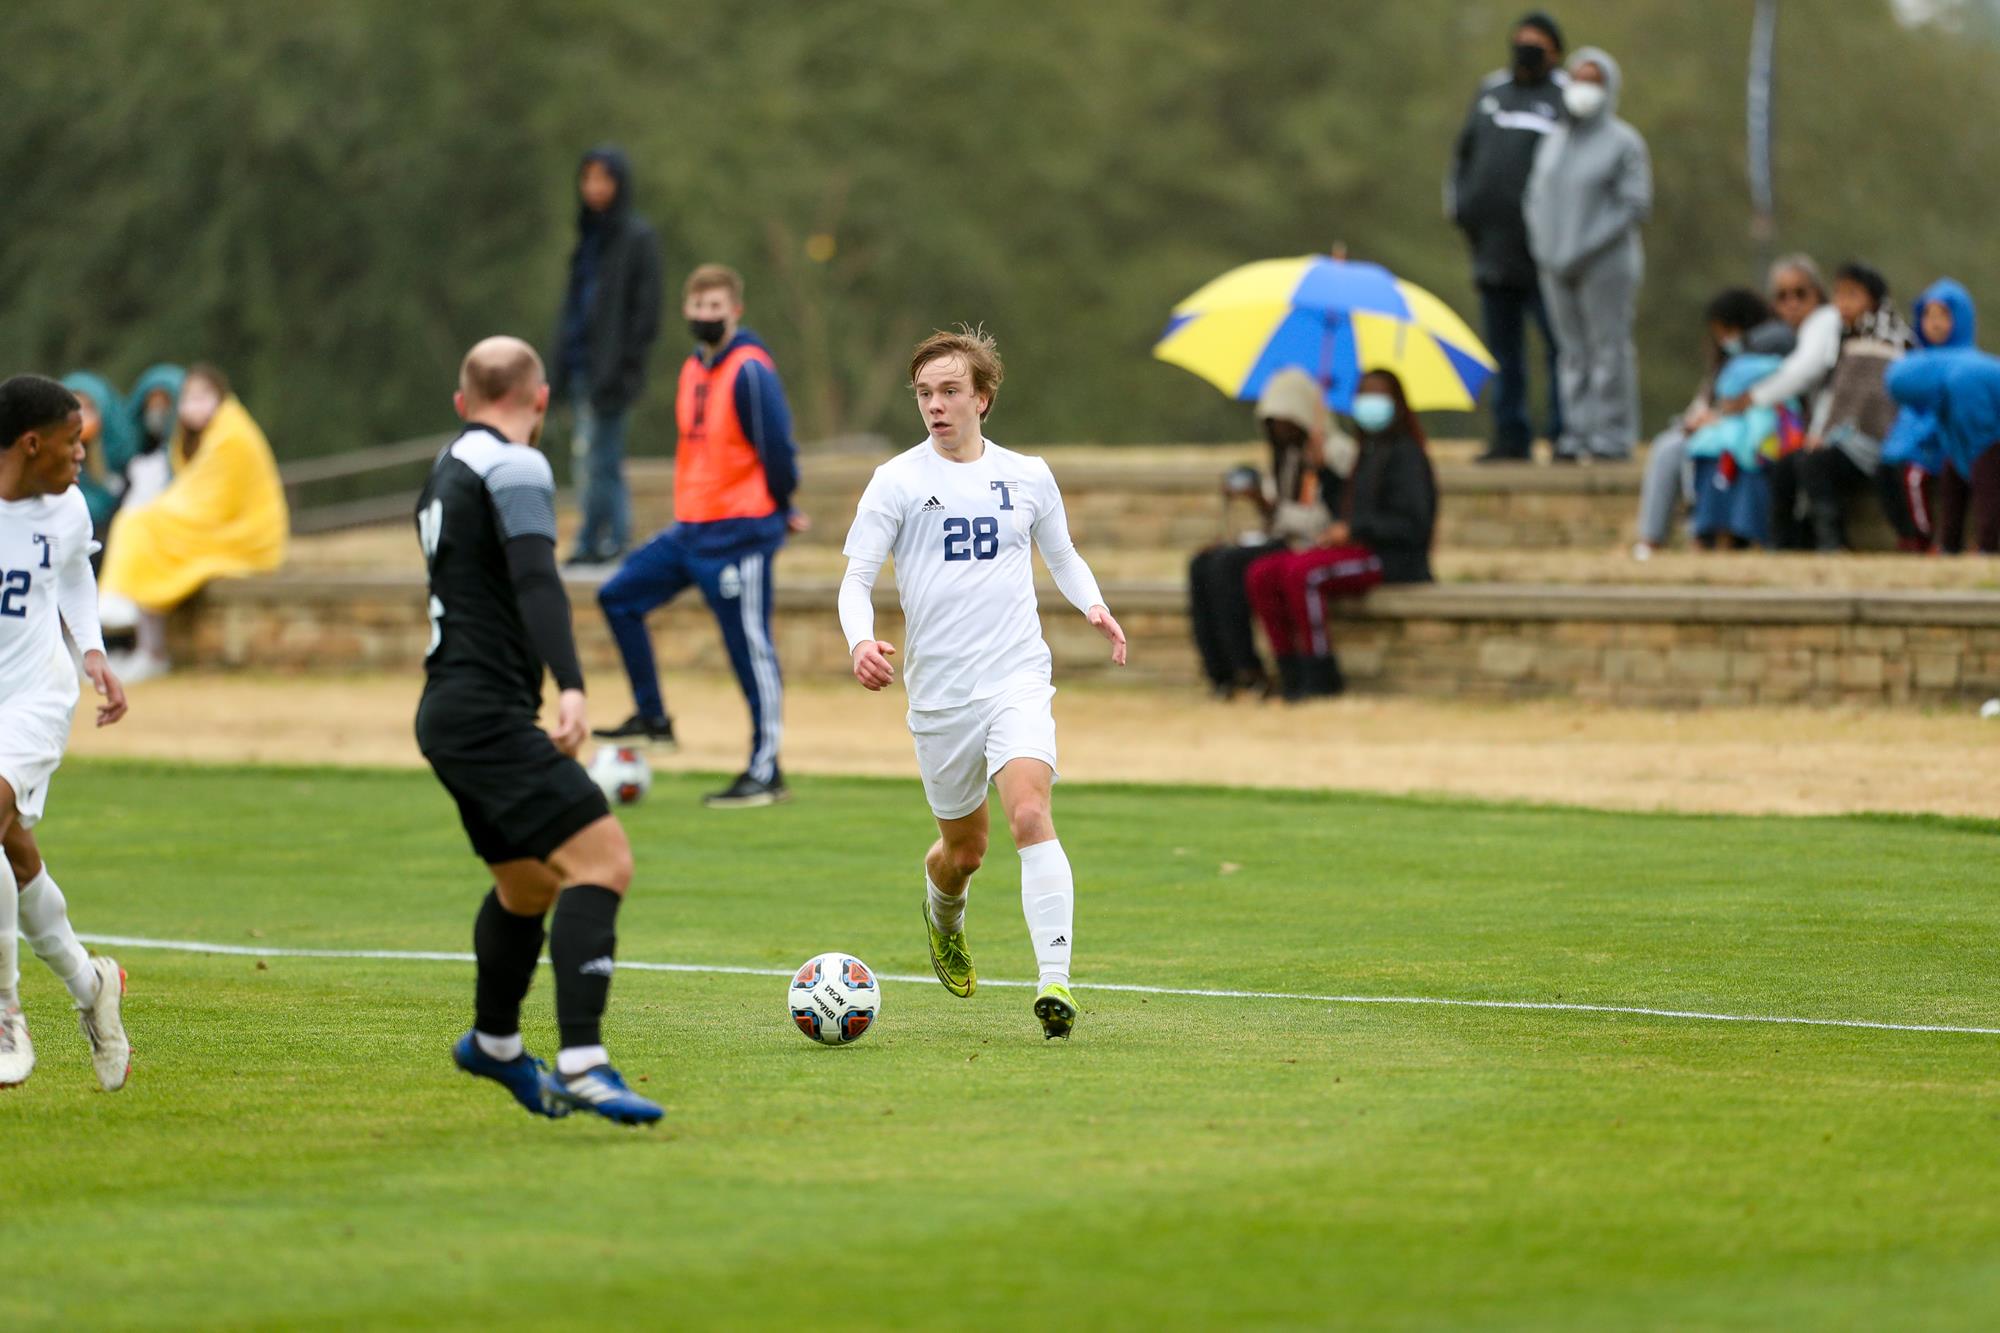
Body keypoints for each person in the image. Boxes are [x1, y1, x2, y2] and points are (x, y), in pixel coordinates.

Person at [838, 327, 1125, 1041]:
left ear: (983, 398)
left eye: (949, 391)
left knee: (1030, 813)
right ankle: (944, 915)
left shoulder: (1028, 475)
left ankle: (1054, 981)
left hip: (1016, 677)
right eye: (925, 394)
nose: (935, 405)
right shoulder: (897, 480)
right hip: (938, 695)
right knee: (964, 851)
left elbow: (1063, 555)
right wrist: (859, 641)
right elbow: (854, 580)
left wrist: (1093, 603)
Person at [415, 337, 661, 1126]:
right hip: (485, 712)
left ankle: (492, 1042)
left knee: (527, 884)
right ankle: (584, 1060)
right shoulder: (515, 464)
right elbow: (533, 578)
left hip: (453, 709)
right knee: (604, 859)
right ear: (542, 399)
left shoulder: (450, 462)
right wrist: (576, 687)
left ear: (462, 400)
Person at [595, 264, 806, 808]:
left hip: (741, 534)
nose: (706, 317)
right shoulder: (692, 367)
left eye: (716, 308)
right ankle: (653, 718)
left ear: (735, 311)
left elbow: (777, 448)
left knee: (749, 650)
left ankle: (766, 771)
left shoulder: (751, 370)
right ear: (687, 311)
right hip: (690, 530)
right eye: (698, 308)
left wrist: (781, 507)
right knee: (617, 597)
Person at [0, 374, 133, 1092]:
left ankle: (4, 1014)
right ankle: (92, 985)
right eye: (71, 442)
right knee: (12, 851)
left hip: (35, 696)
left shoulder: (69, 508)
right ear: (30, 443)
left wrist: (91, 654)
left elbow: (76, 573)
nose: (81, 455)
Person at [1246, 368, 1437, 701]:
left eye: (1378, 396)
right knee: (1264, 572)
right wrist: (1323, 472)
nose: (1369, 403)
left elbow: (1412, 525)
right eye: (1363, 395)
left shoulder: (1407, 455)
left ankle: (1320, 673)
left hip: (1392, 558)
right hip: (1358, 549)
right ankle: (1289, 670)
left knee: (1303, 574)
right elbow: (1344, 510)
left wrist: (1355, 530)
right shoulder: (1368, 451)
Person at [96, 364, 288, 682]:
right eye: (188, 397)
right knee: (142, 528)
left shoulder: (231, 435)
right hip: (221, 526)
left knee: (143, 528)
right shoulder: (200, 436)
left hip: (246, 535)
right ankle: (142, 639)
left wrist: (159, 514)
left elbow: (208, 497)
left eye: (202, 396)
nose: (194, 405)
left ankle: (145, 642)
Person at [1446, 10, 1568, 463]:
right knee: (1503, 352)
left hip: (1546, 253)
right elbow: (1463, 155)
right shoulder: (1491, 92)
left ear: (1555, 51)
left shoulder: (1565, 98)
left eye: (1536, 44)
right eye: (1520, 42)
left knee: (1559, 350)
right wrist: (1461, 208)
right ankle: (1510, 436)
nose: (1525, 51)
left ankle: (1563, 434)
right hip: (1493, 249)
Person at [1188, 368, 1353, 698]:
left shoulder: (1336, 451)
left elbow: (1322, 521)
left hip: (1309, 545)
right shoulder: (1286, 455)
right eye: (1272, 422)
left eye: (1285, 420)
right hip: (1282, 539)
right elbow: (1277, 514)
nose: (1279, 429)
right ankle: (1221, 671)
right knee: (1204, 563)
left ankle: (1250, 667)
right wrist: (1256, 503)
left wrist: (1316, 474)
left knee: (1228, 567)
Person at [1524, 46, 1652, 462]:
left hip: (1605, 264)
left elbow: (1634, 205)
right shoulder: (1554, 141)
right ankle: (1575, 432)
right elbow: (1534, 199)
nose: (1585, 88)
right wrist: (1544, 248)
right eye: (1579, 78)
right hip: (1554, 265)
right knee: (1571, 353)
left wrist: (1583, 246)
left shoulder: (1624, 142)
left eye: (1594, 80)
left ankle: (1612, 436)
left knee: (1608, 349)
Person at [551, 146, 663, 567]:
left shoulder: (638, 239)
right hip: (581, 367)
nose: (595, 188)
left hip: (613, 373)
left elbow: (645, 313)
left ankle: (602, 540)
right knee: (594, 458)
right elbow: (572, 312)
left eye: (604, 179)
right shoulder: (586, 241)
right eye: (588, 179)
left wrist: (624, 368)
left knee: (599, 458)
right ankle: (605, 538)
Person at [1632, 289, 1793, 560]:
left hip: (1746, 437)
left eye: (1728, 330)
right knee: (1667, 446)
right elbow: (1704, 402)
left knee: (1678, 451)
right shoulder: (1722, 364)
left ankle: (1684, 536)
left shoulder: (1769, 359)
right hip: (1712, 432)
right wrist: (1698, 419)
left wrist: (1718, 418)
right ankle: (1650, 538)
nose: (1723, 339)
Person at [1768, 263, 1911, 551]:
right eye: (1838, 295)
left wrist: (1828, 436)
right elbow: (1836, 398)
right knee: (1785, 465)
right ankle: (1784, 546)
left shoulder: (1887, 340)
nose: (1842, 304)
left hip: (1875, 443)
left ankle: (1831, 543)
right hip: (1842, 439)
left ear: (1873, 300)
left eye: (1852, 295)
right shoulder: (1848, 338)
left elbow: (1868, 403)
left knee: (1813, 462)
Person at [1879, 279, 1977, 549]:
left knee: (1914, 477)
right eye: (1928, 315)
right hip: (1908, 448)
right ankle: (1907, 535)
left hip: (1939, 449)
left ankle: (1923, 537)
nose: (1934, 323)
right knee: (1885, 471)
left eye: (1943, 316)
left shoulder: (1965, 364)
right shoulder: (1916, 364)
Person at [1887, 344, 2000, 555]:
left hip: (1991, 439)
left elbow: (1980, 432)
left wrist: (1970, 462)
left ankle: (1989, 546)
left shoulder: (1963, 379)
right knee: (1951, 469)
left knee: (1985, 471)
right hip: (1982, 440)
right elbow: (1952, 432)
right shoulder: (1944, 384)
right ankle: (1949, 545)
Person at [59, 371, 138, 544]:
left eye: (88, 408)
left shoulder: (122, 458)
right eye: (74, 408)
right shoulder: (44, 461)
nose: (81, 416)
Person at [121, 363, 184, 511]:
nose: (157, 410)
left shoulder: (192, 454)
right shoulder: (130, 455)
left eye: (165, 402)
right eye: (152, 402)